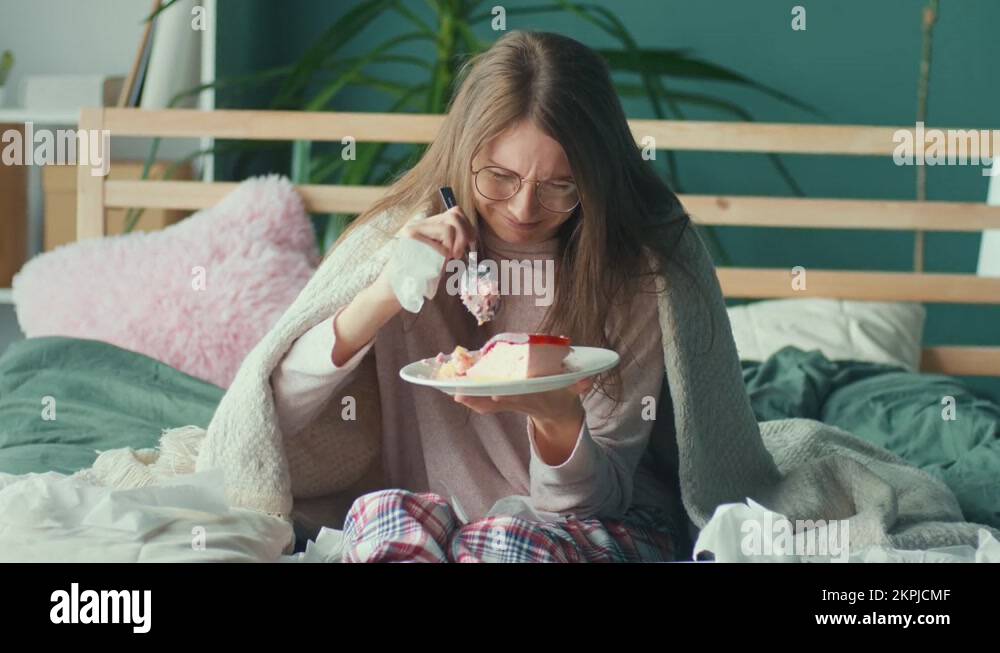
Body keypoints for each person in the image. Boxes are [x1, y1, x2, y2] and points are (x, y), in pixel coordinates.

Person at [271, 30, 697, 562]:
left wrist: (558, 420)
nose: (523, 209)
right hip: (429, 511)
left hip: (577, 527)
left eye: (561, 185)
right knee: (381, 515)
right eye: (500, 176)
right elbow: (277, 413)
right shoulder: (404, 238)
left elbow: (597, 501)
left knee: (501, 544)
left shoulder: (629, 273)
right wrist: (385, 290)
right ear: (464, 154)